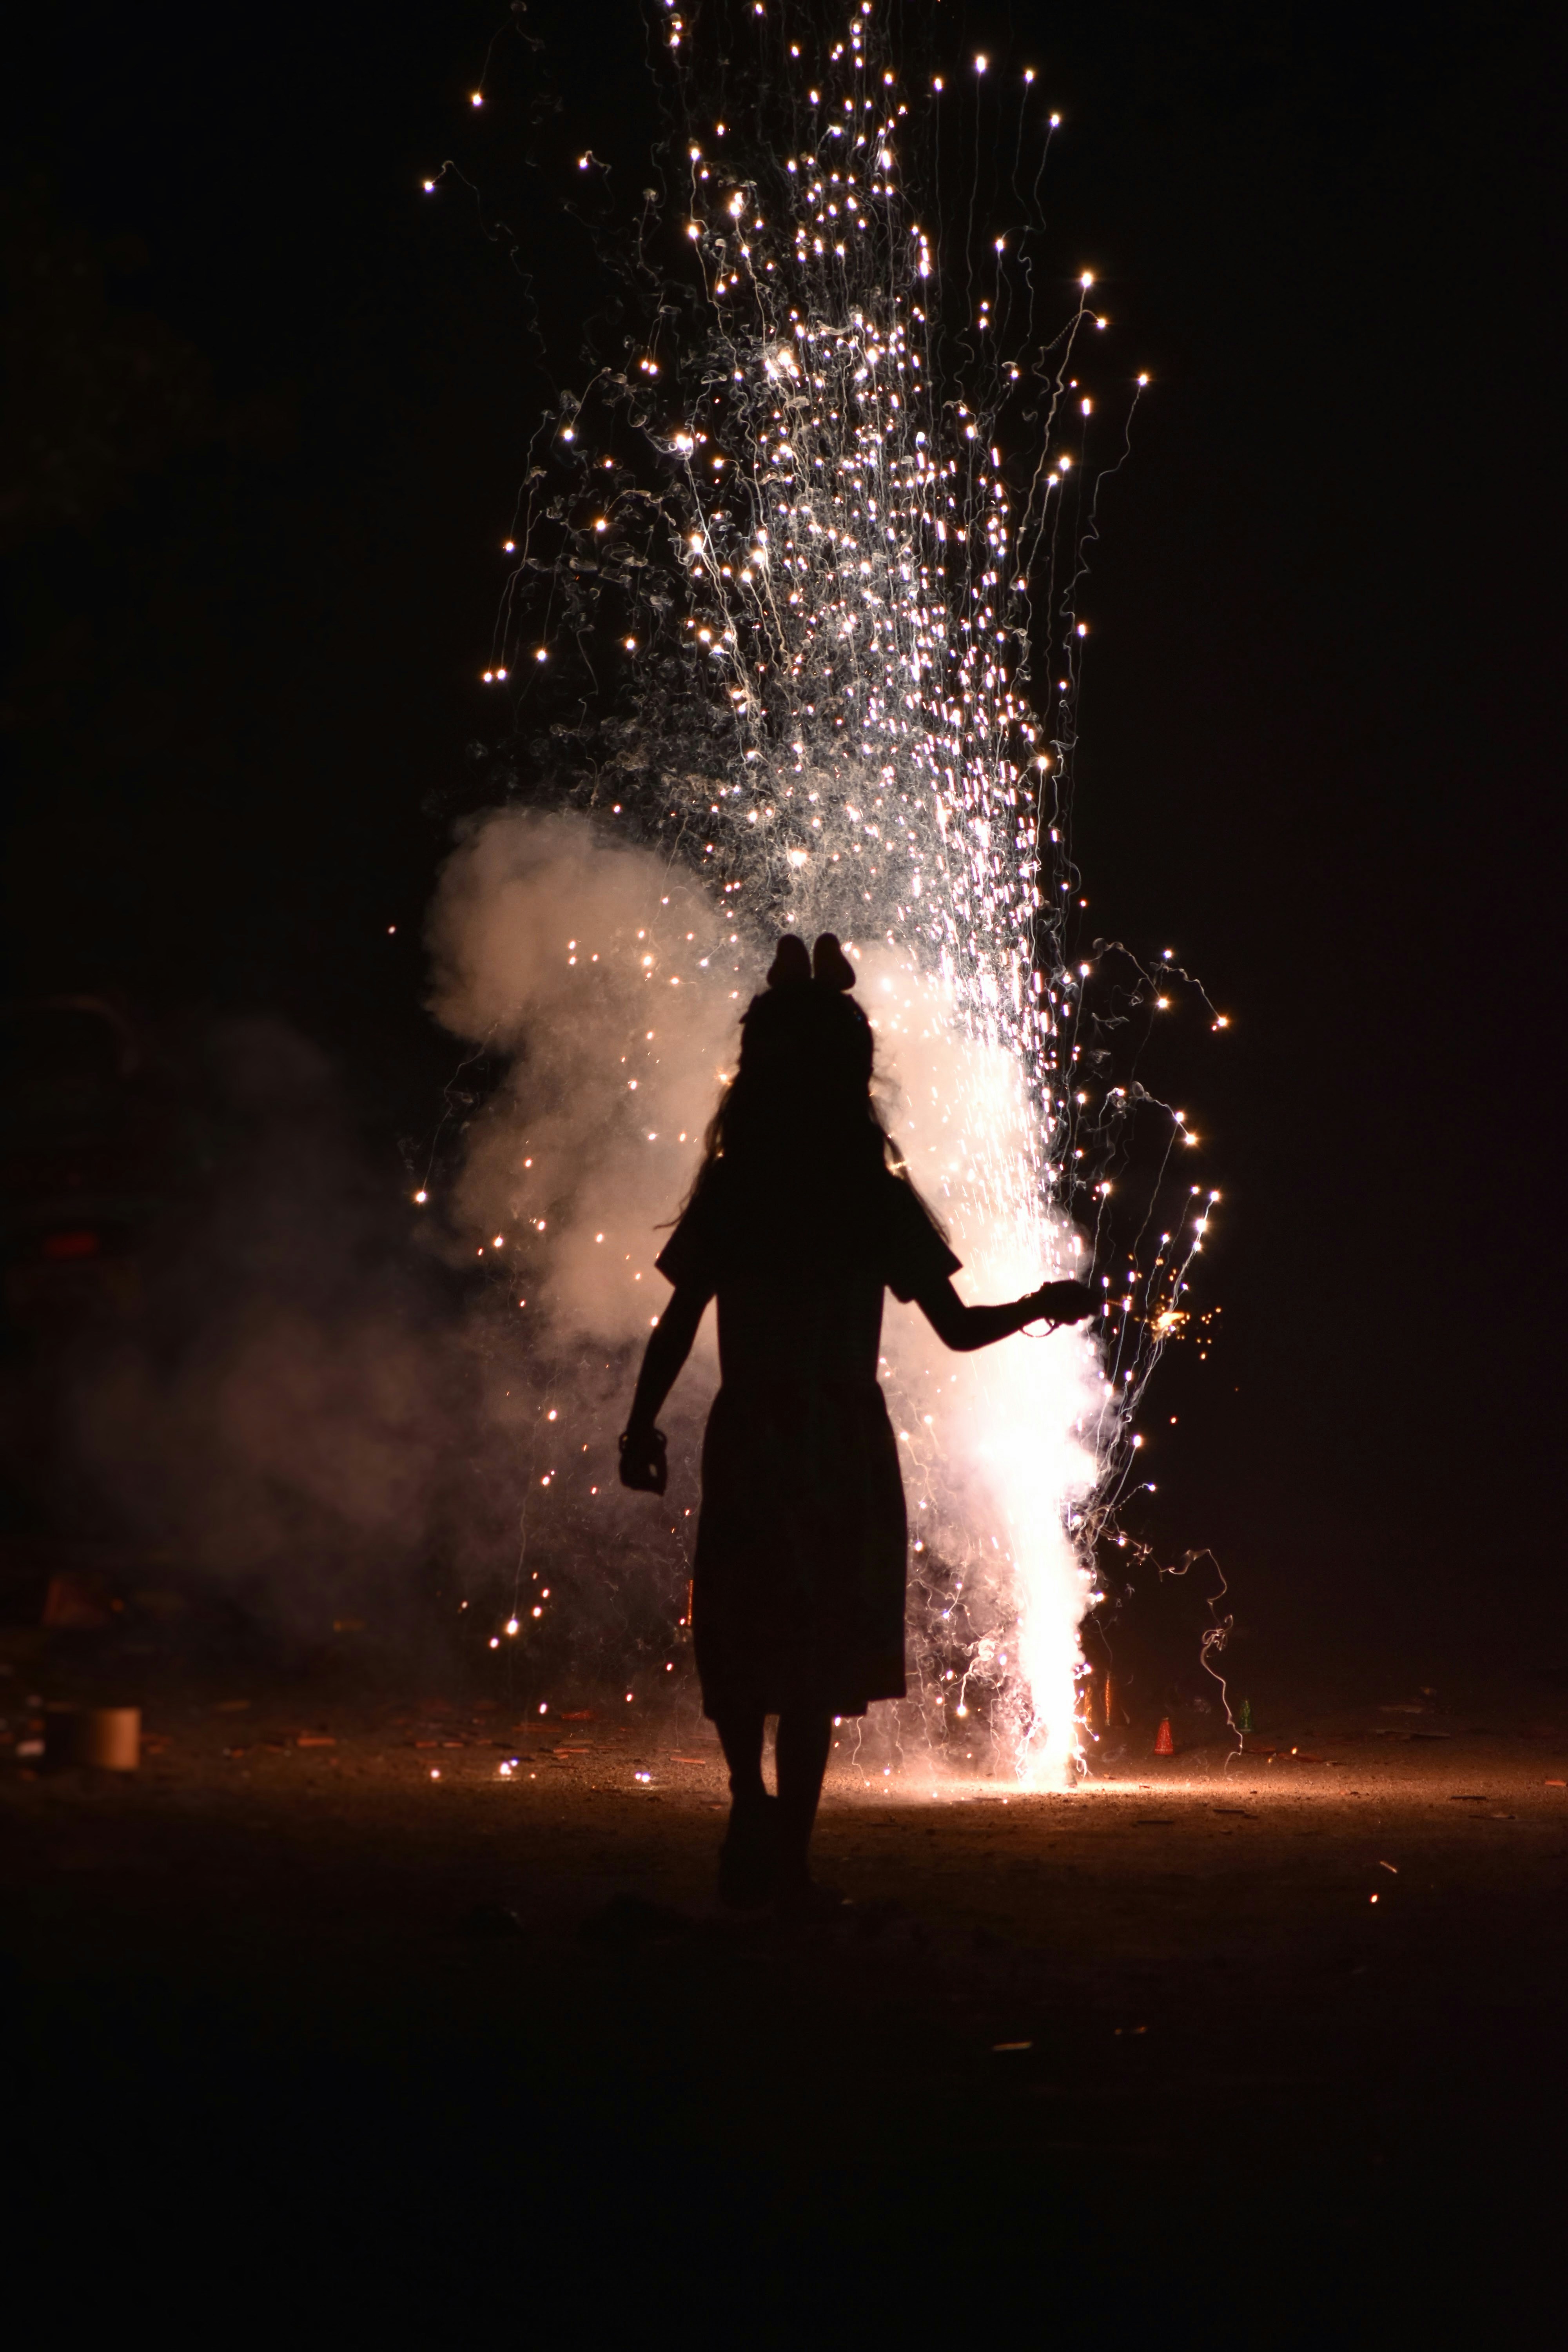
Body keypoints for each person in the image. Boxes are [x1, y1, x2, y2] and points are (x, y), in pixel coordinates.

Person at [619, 931, 1094, 1915]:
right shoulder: (867, 1197)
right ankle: (786, 1856)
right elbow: (959, 1330)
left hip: (751, 1431)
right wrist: (1042, 1302)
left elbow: (677, 1322)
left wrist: (642, 1426)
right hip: (837, 1439)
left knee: (748, 1629)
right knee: (813, 1646)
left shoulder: (737, 1188)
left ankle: (748, 1808)